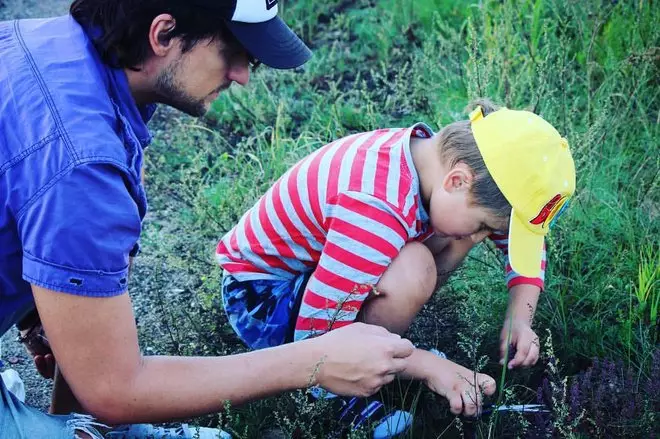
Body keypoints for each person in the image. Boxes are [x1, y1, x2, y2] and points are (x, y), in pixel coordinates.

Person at [0, 0, 416, 438]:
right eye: (233, 52)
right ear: (162, 35)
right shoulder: (83, 163)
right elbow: (113, 388)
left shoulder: (48, 44)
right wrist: (314, 361)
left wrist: (38, 309)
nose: (243, 75)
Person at [216, 98, 576, 420]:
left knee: (435, 248)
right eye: (482, 225)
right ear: (457, 181)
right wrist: (427, 366)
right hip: (262, 299)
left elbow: (507, 234)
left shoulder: (432, 160)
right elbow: (320, 331)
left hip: (322, 272)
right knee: (414, 269)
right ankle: (332, 395)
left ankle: (384, 352)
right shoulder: (376, 209)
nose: (482, 235)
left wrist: (520, 317)